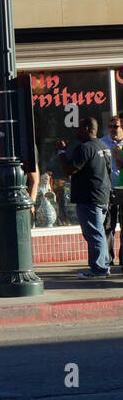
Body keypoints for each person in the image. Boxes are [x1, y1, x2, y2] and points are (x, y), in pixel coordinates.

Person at [58, 118, 112, 278]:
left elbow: (69, 170)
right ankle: (103, 265)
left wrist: (61, 153)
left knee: (94, 233)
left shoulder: (85, 148)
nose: (76, 131)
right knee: (98, 232)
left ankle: (99, 269)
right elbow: (108, 169)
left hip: (89, 197)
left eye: (79, 128)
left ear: (87, 129)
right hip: (102, 195)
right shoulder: (103, 146)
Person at [104, 115, 123, 263]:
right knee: (108, 225)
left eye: (115, 126)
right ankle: (108, 259)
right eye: (110, 126)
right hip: (108, 189)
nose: (112, 130)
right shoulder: (102, 143)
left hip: (122, 189)